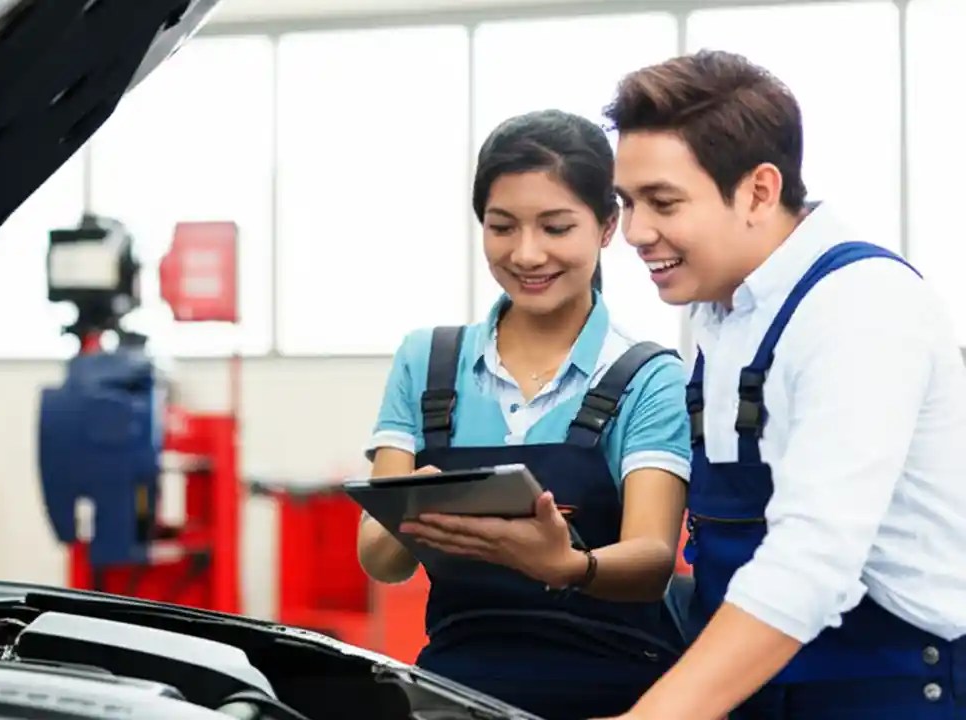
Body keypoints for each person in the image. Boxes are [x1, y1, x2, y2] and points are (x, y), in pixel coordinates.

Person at [601, 50, 966, 720]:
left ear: (759, 191)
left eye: (662, 203)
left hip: (890, 689)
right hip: (760, 689)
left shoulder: (858, 307)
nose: (634, 233)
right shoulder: (724, 308)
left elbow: (813, 557)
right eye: (625, 203)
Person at [355, 109, 693, 720]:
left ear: (608, 225)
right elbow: (381, 562)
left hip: (613, 690)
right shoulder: (425, 362)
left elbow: (652, 559)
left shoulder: (647, 376)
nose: (527, 254)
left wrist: (569, 566)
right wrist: (406, 516)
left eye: (556, 227)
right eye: (501, 226)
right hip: (458, 689)